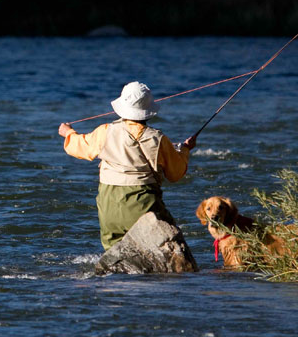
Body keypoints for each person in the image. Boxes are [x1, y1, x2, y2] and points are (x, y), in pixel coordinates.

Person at [58, 81, 196, 250]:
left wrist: (68, 132)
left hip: (109, 205)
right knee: (171, 247)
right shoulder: (158, 139)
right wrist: (185, 151)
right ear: (148, 111)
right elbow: (176, 173)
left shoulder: (105, 131)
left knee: (114, 254)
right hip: (144, 205)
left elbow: (78, 146)